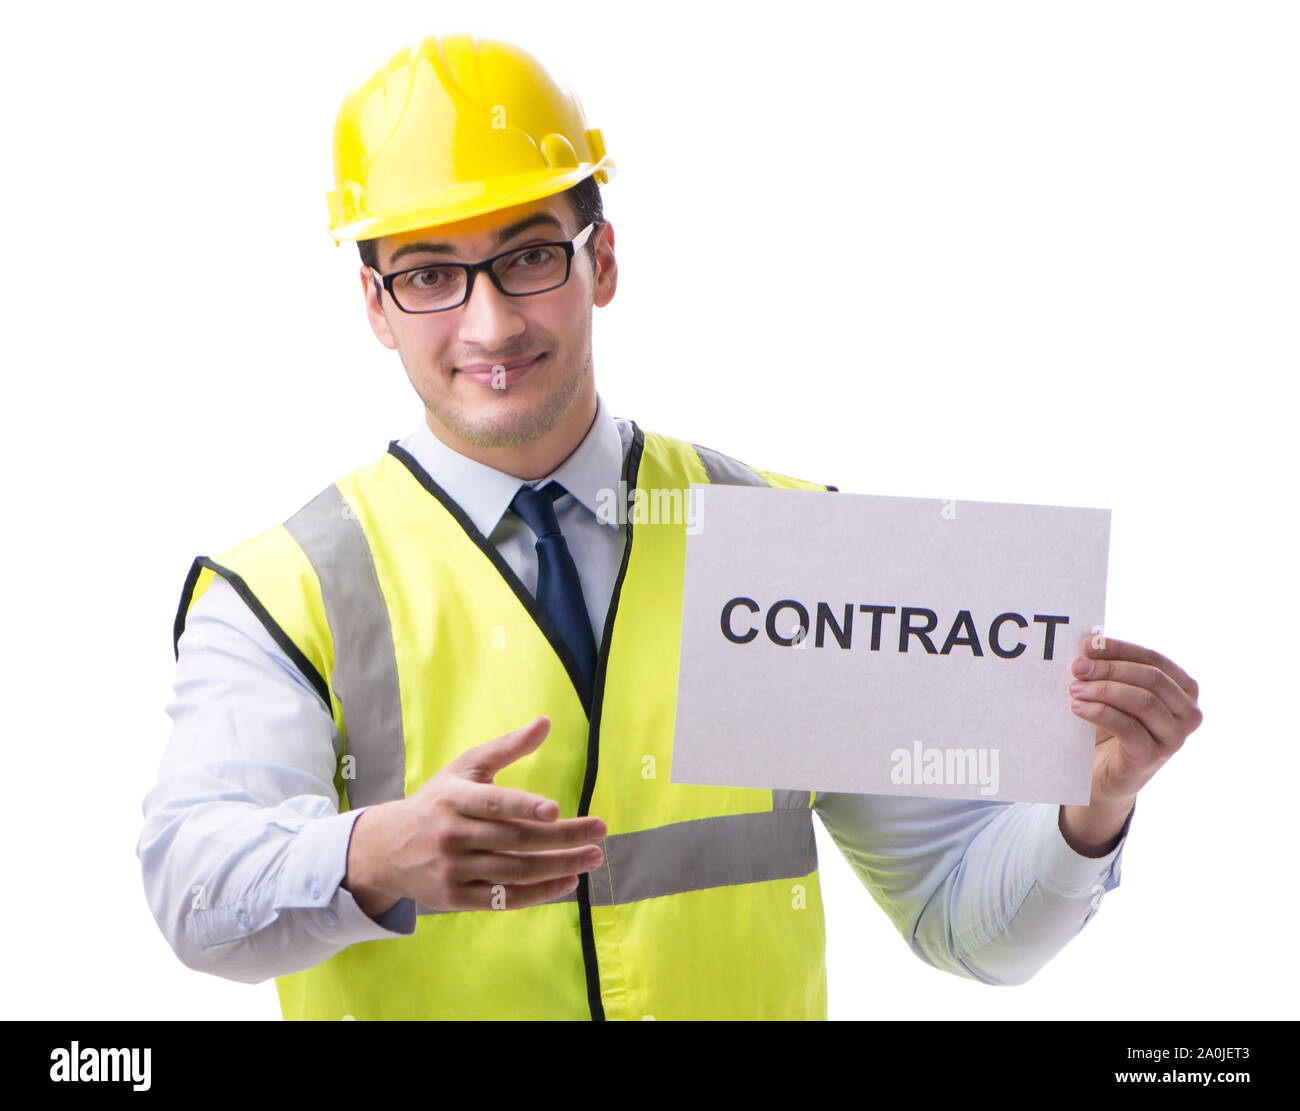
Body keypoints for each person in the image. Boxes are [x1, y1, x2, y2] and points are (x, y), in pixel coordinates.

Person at [138, 33, 1203, 1020]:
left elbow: (966, 925)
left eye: (527, 256)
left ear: (601, 261)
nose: (490, 322)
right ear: (374, 306)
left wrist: (1088, 813)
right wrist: (372, 853)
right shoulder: (284, 593)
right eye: (428, 274)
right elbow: (193, 889)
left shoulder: (793, 547)